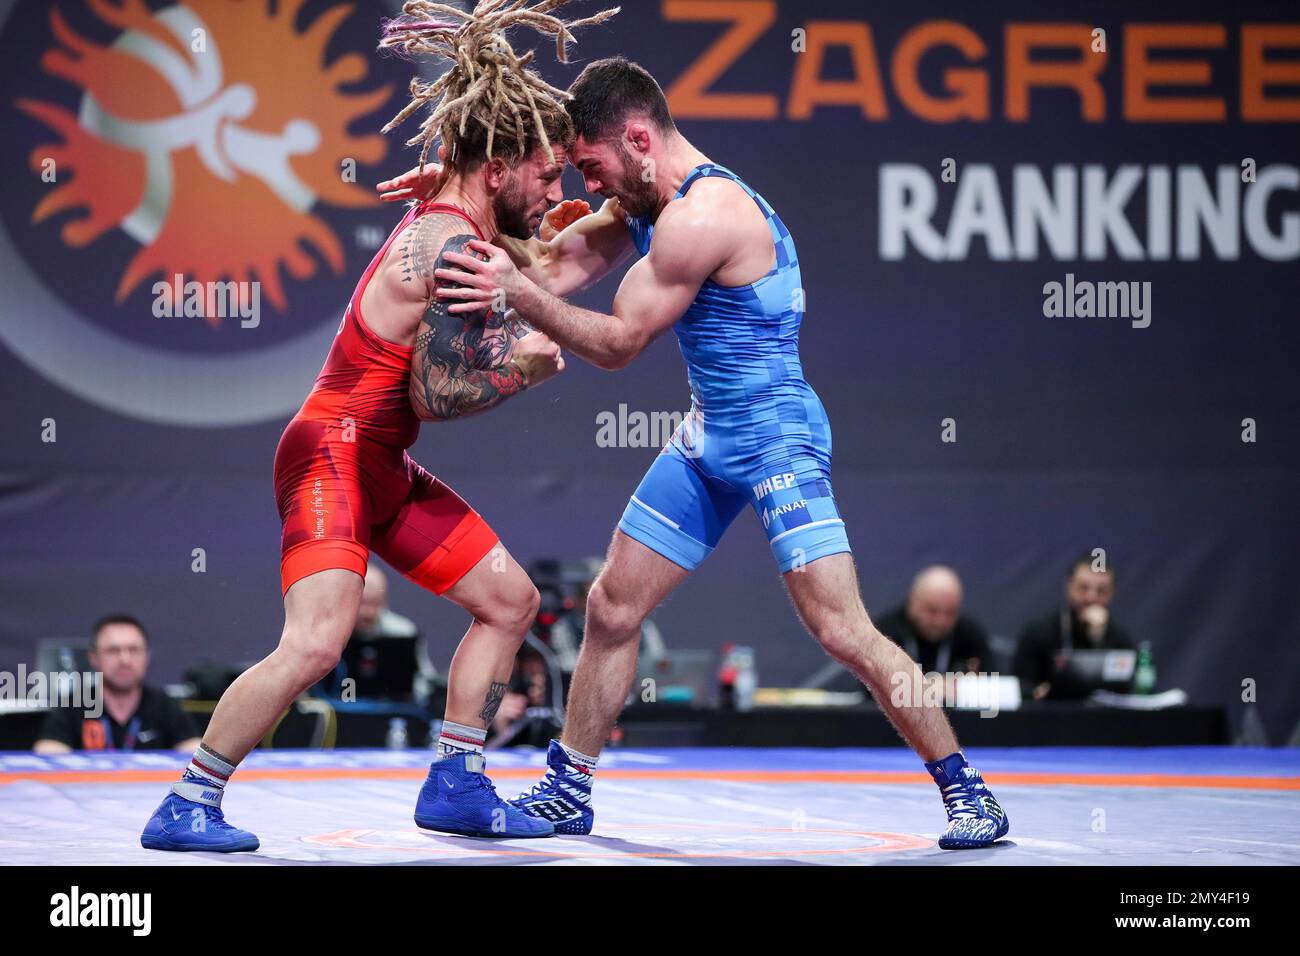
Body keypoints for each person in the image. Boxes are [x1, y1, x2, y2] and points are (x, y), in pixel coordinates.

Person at [390, 57, 1009, 848]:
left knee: (840, 628)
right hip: (713, 432)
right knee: (613, 607)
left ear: (639, 138)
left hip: (777, 434)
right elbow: (546, 263)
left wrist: (518, 294)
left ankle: (970, 793)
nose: (592, 185)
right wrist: (451, 210)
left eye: (594, 166)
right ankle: (567, 788)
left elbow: (612, 342)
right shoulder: (644, 199)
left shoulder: (705, 215)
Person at [139, 0, 613, 852]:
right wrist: (521, 369)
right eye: (547, 176)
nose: (558, 193)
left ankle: (456, 782)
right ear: (500, 166)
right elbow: (436, 394)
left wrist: (651, 205)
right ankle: (189, 799)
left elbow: (551, 263)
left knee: (510, 602)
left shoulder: (469, 228)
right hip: (329, 452)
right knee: (317, 643)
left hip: (378, 457)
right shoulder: (447, 245)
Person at [35, 614, 200, 755]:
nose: (124, 660)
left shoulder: (165, 706)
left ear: (147, 656)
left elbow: (194, 752)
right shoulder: (73, 705)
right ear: (93, 657)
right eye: (113, 650)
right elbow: (47, 752)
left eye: (134, 649)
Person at [1014, 555, 1136, 700]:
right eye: (1083, 588)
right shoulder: (1040, 631)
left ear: (1111, 593)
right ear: (1069, 587)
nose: (1091, 598)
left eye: (1101, 590)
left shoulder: (1120, 638)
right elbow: (1018, 686)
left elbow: (1131, 689)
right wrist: (1039, 692)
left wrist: (1098, 636)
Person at [876, 566, 992, 676]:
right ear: (912, 601)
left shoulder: (970, 635)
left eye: (950, 612)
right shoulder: (885, 633)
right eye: (932, 610)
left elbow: (994, 684)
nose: (940, 621)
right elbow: (866, 690)